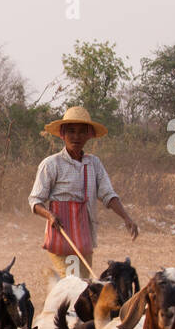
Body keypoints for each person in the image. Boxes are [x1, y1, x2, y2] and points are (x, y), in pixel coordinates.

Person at [28, 105, 138, 280]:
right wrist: (50, 216)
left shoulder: (94, 164)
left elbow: (108, 195)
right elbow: (35, 201)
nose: (76, 137)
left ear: (89, 135)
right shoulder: (51, 164)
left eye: (81, 132)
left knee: (85, 284)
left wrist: (126, 218)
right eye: (71, 131)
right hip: (61, 236)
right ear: (62, 134)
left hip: (84, 236)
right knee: (71, 282)